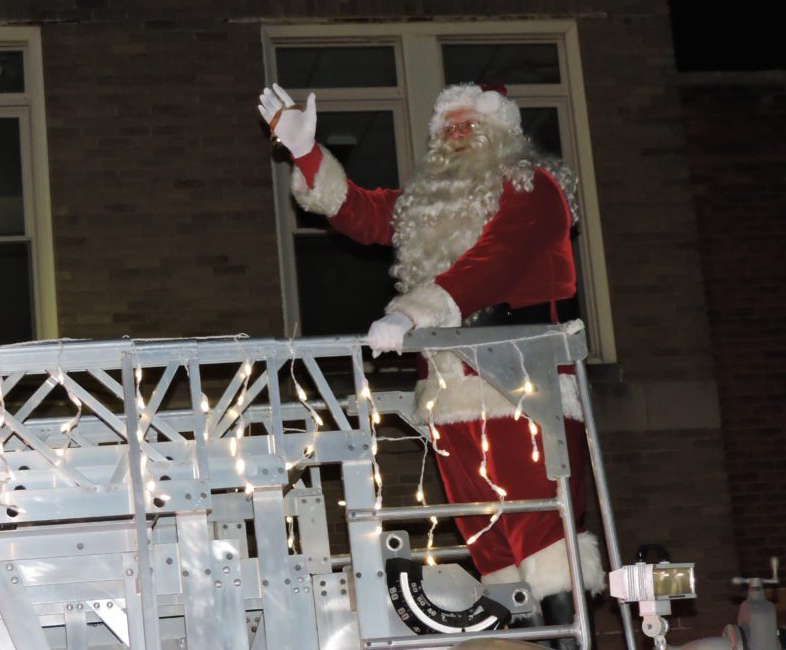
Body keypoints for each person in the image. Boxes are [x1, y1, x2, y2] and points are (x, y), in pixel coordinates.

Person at [258, 81, 604, 639]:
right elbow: (367, 215)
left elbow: (494, 262)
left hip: (520, 382)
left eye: (471, 125)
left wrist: (414, 313)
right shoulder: (431, 206)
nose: (457, 135)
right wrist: (307, 152)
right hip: (450, 393)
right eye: (448, 127)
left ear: (503, 133)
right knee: (493, 552)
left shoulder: (532, 188)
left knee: (544, 542)